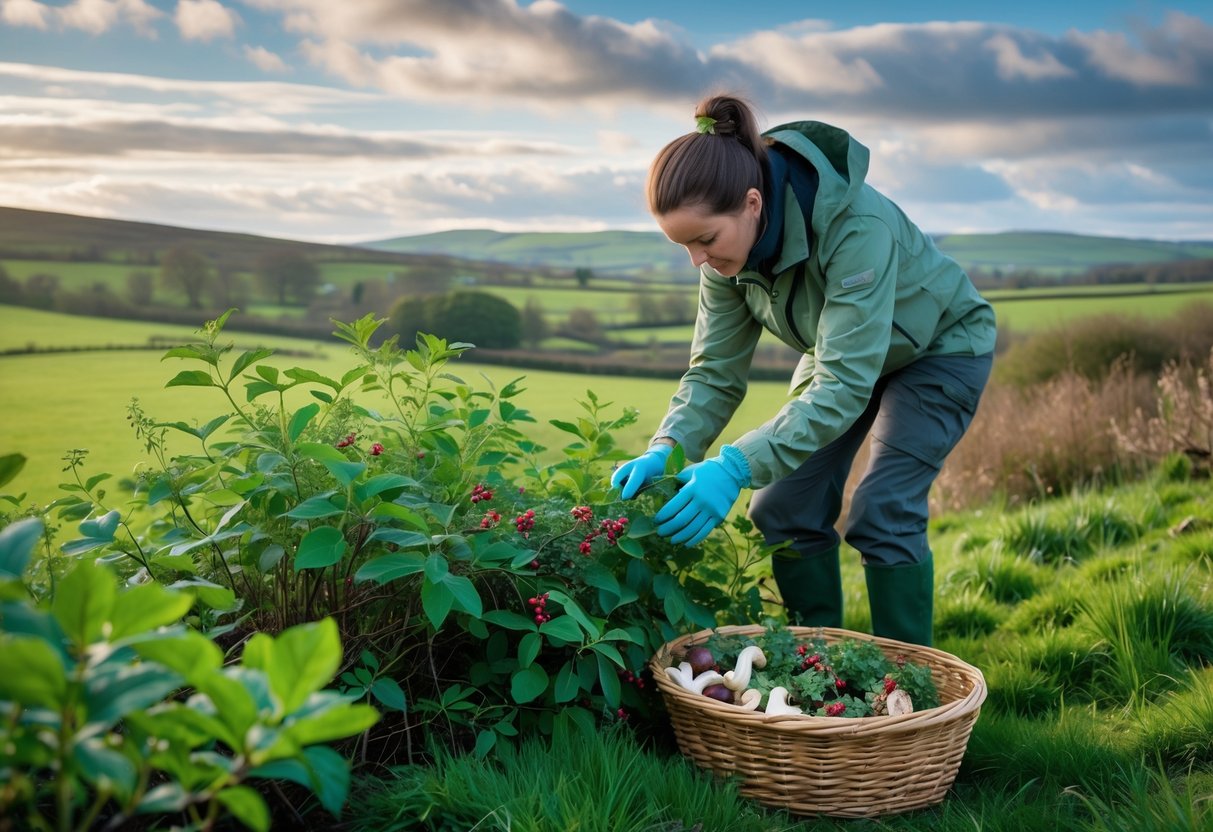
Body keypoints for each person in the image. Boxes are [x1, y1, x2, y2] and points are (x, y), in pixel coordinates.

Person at [610, 94, 996, 646]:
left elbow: (842, 386)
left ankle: (911, 687)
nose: (697, 260)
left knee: (884, 510)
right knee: (783, 509)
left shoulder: (854, 227)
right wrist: (666, 447)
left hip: (939, 349)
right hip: (843, 353)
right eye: (683, 246)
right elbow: (714, 373)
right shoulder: (725, 258)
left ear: (751, 203)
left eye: (704, 240)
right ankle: (823, 667)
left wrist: (734, 467)